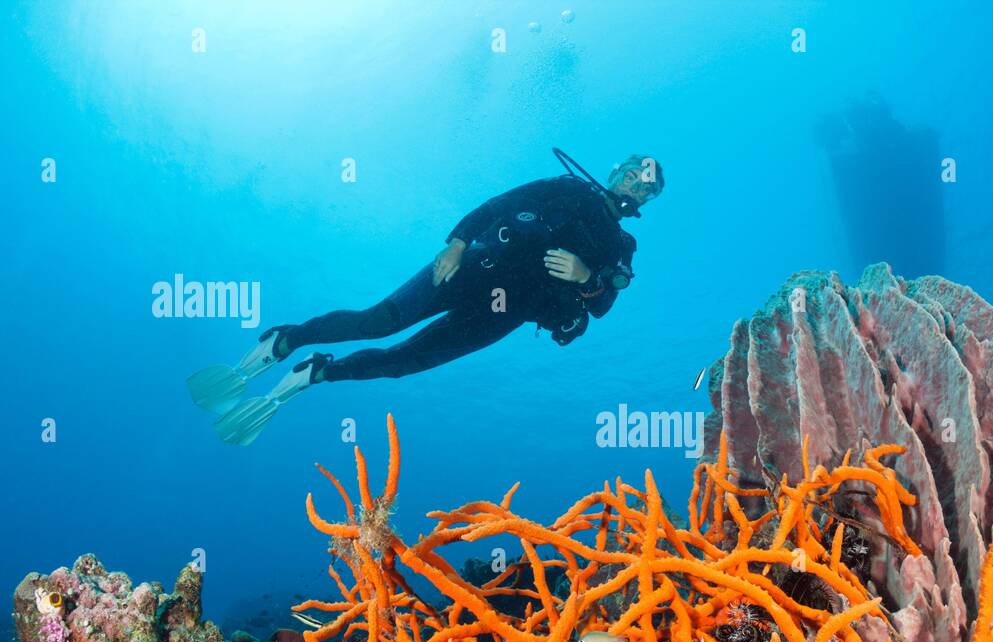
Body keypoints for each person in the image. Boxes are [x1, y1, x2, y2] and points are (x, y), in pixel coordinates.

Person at [187, 149, 664, 444]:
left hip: (504, 315)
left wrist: (585, 277)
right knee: (378, 322)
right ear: (614, 171)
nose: (635, 186)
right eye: (631, 175)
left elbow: (600, 305)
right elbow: (498, 206)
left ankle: (318, 372)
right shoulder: (566, 189)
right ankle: (286, 340)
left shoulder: (621, 247)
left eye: (647, 187)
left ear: (647, 201)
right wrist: (457, 244)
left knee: (404, 362)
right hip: (474, 268)